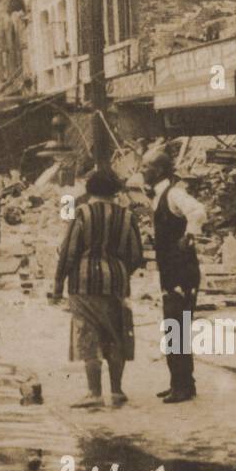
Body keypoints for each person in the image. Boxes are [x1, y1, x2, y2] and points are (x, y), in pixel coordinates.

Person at [51, 168, 144, 409]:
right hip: (116, 282)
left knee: (88, 334)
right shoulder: (127, 216)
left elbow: (69, 251)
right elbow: (135, 254)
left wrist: (58, 284)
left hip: (83, 283)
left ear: (89, 189)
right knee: (114, 334)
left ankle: (94, 392)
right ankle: (117, 390)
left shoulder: (82, 213)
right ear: (114, 190)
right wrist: (120, 272)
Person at [144, 148, 206, 404]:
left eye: (146, 166)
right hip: (172, 270)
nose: (142, 170)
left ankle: (182, 385)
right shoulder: (160, 196)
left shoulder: (174, 194)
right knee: (174, 327)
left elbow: (198, 211)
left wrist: (189, 235)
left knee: (177, 326)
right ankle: (180, 382)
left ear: (158, 170)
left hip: (182, 270)